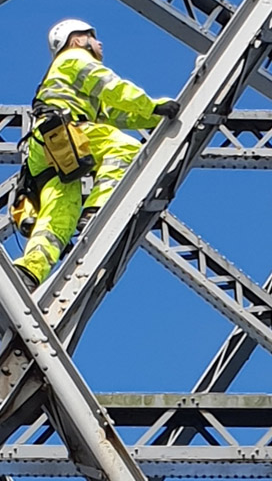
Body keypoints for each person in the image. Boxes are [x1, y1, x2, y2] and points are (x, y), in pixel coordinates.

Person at [12, 19, 180, 289]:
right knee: (124, 148)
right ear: (77, 40)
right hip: (65, 131)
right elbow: (112, 88)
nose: (99, 42)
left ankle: (28, 272)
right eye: (92, 36)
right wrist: (151, 106)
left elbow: (115, 114)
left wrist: (156, 112)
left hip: (45, 149)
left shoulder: (66, 77)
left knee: (59, 216)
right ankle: (99, 210)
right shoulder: (74, 58)